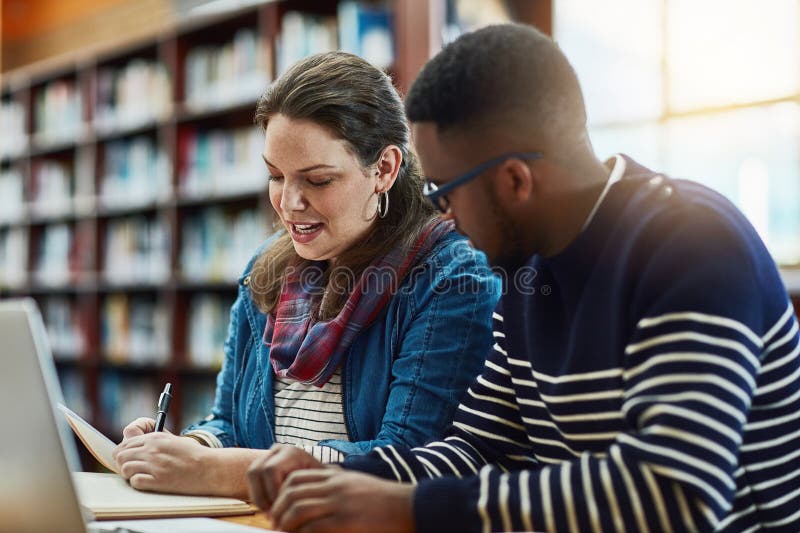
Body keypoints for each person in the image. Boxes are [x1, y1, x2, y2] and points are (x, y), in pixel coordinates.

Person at [246, 24, 800, 532]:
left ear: (514, 181)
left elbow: (674, 492)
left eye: (444, 192)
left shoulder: (691, 244)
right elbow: (473, 450)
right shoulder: (525, 273)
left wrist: (406, 508)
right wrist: (340, 474)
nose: (444, 217)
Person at [111, 51, 501, 500]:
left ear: (385, 169)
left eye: (317, 180)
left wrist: (218, 471)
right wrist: (186, 449)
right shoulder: (266, 269)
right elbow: (230, 422)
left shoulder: (450, 278)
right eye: (275, 176)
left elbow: (411, 461)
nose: (289, 203)